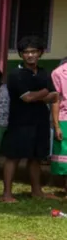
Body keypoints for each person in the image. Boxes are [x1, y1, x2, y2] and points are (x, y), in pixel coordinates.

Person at [0, 36, 60, 202]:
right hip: (20, 122)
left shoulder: (43, 73)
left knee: (36, 157)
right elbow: (27, 98)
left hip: (40, 120)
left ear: (40, 53)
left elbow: (55, 96)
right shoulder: (16, 74)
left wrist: (38, 95)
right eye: (26, 52)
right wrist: (43, 93)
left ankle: (37, 191)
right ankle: (6, 194)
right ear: (21, 55)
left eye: (34, 51)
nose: (30, 55)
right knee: (13, 157)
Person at [52, 58, 67, 190]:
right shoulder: (59, 73)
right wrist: (56, 126)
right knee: (64, 155)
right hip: (65, 119)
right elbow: (55, 101)